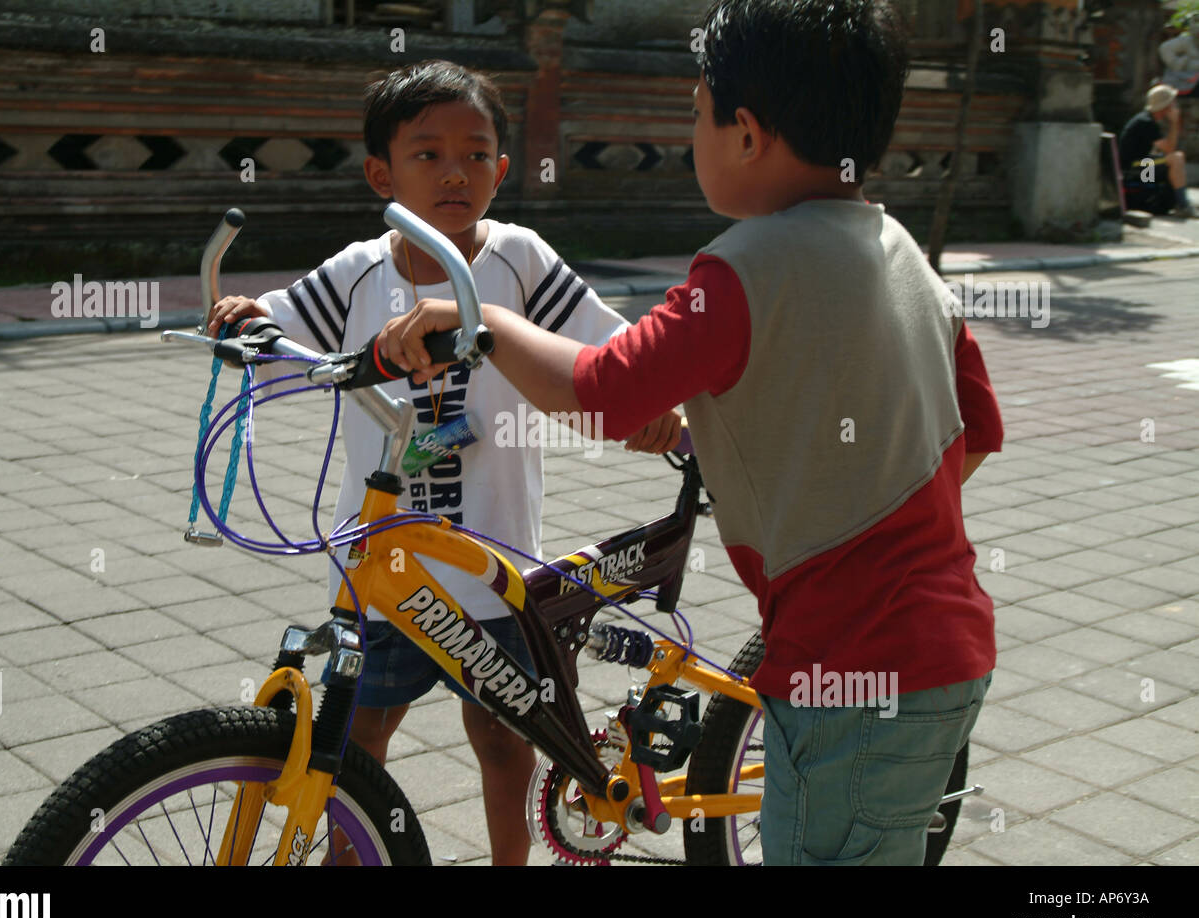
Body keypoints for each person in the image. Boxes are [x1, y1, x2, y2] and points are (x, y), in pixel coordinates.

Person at [380, 0, 1004, 866]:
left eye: (697, 114)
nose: (693, 136)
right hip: (941, 640)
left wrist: (481, 320)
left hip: (856, 671)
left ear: (745, 132)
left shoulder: (744, 268)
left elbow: (602, 397)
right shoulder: (902, 251)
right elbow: (973, 431)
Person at [207, 60, 680, 865]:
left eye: (475, 152)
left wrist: (653, 406)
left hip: (495, 571)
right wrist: (243, 319)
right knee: (353, 744)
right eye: (427, 154)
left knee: (503, 738)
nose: (454, 171)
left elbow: (607, 347)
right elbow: (275, 335)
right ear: (380, 174)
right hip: (381, 572)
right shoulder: (355, 275)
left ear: (501, 168)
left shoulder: (519, 260)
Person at [1119, 84, 1195, 217]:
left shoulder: (1148, 120)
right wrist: (1174, 123)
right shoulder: (1146, 122)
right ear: (1165, 105)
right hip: (1134, 168)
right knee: (1176, 158)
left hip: (1142, 164)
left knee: (1175, 157)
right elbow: (1170, 148)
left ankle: (1179, 202)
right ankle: (1183, 205)